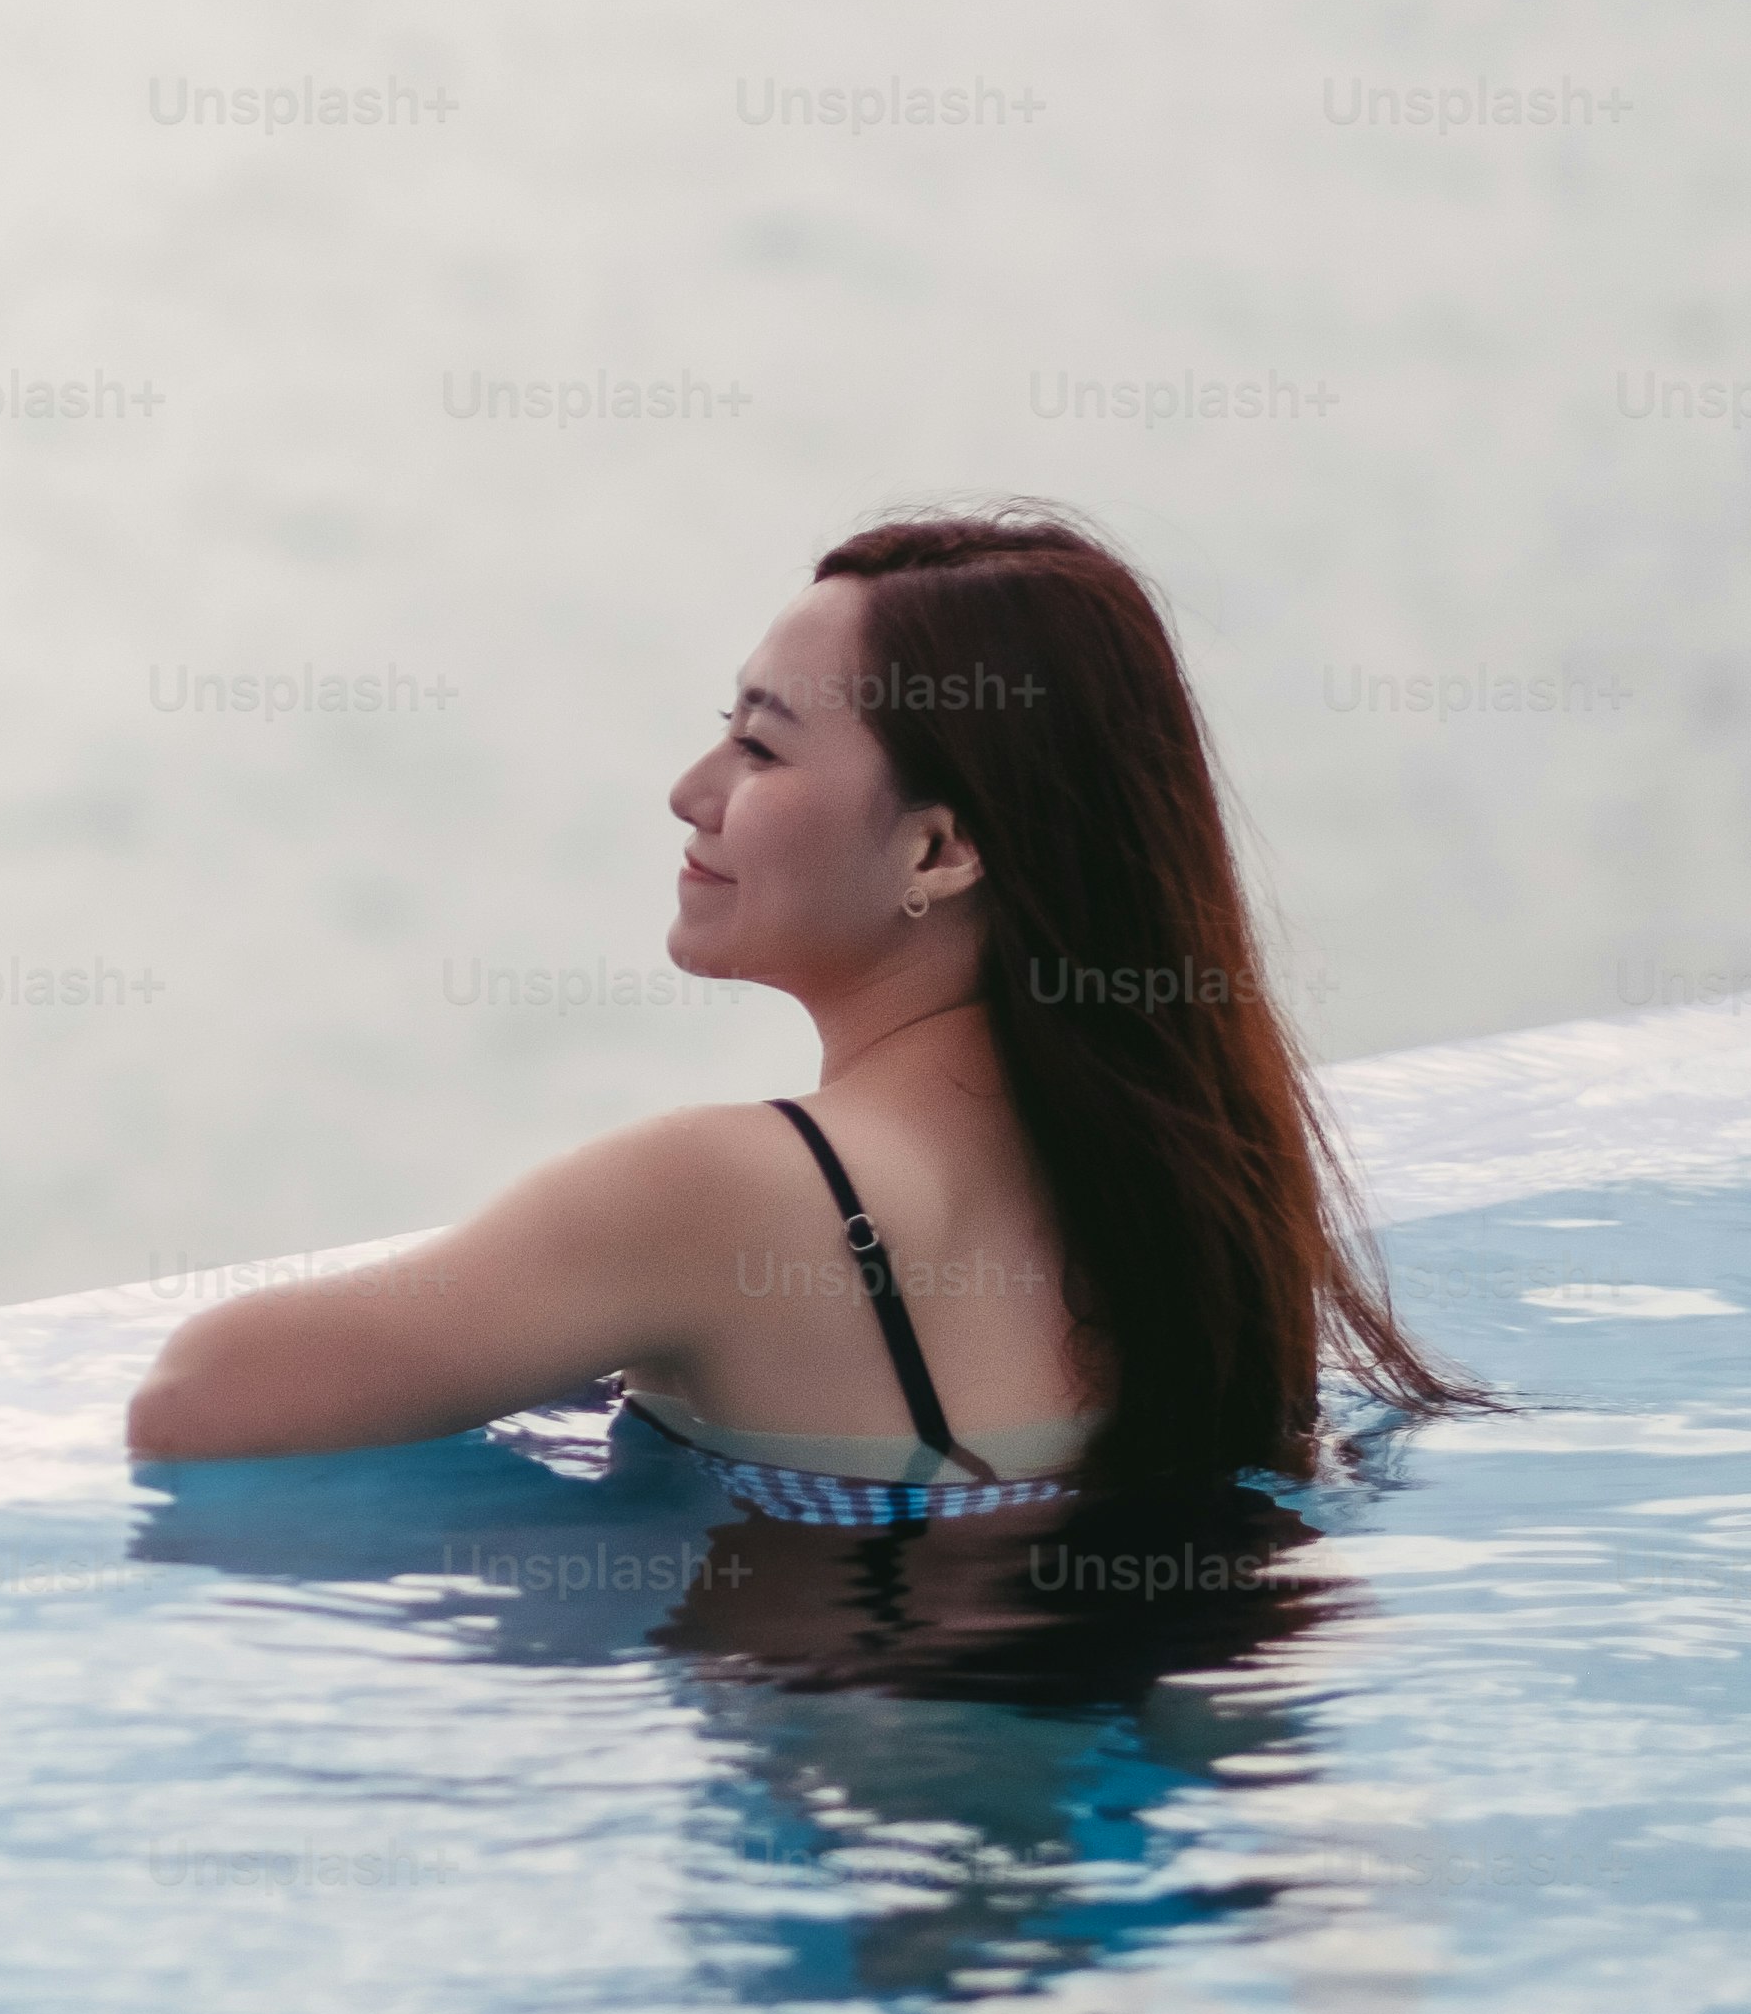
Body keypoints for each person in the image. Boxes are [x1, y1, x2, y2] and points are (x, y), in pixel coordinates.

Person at [123, 506, 1485, 1513]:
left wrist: (565, 1312)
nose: (691, 790)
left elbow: (194, 1403)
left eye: (760, 746)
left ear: (940, 851)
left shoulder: (719, 1196)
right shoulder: (1199, 1188)